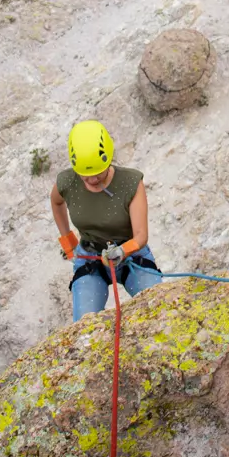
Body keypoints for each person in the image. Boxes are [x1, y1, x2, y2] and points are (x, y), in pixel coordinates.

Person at [52, 120, 162, 322]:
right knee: (83, 328)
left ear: (109, 158)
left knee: (160, 311)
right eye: (86, 176)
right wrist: (68, 241)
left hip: (130, 256)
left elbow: (141, 236)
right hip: (90, 257)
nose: (93, 180)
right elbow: (56, 202)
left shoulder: (130, 183)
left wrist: (122, 251)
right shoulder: (67, 182)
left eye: (98, 173)